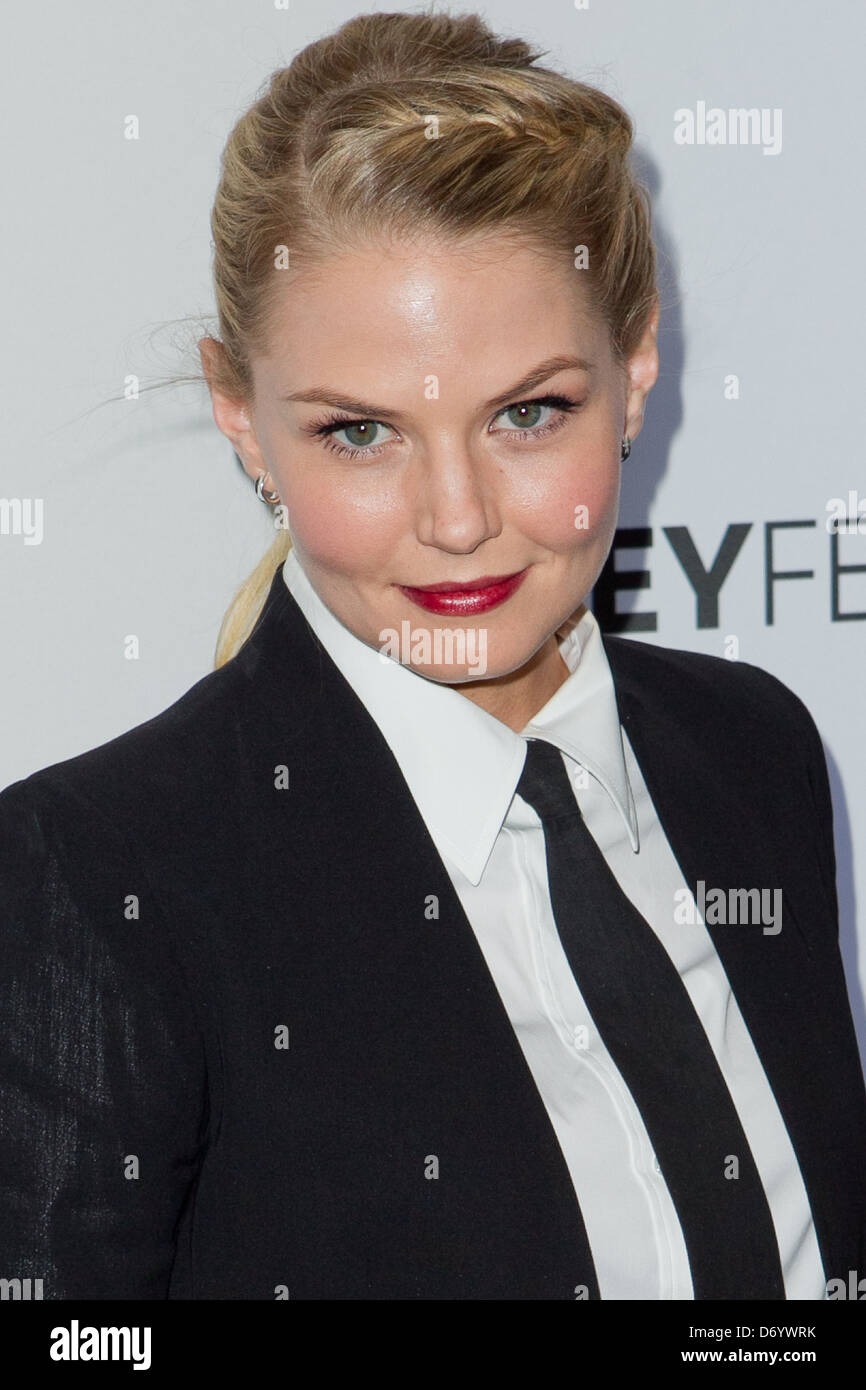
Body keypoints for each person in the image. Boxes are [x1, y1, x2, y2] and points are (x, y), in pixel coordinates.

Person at [1, 7, 864, 1302]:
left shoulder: (753, 753)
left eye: (528, 411)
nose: (456, 517)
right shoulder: (102, 880)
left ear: (635, 365)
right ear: (241, 415)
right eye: (360, 431)